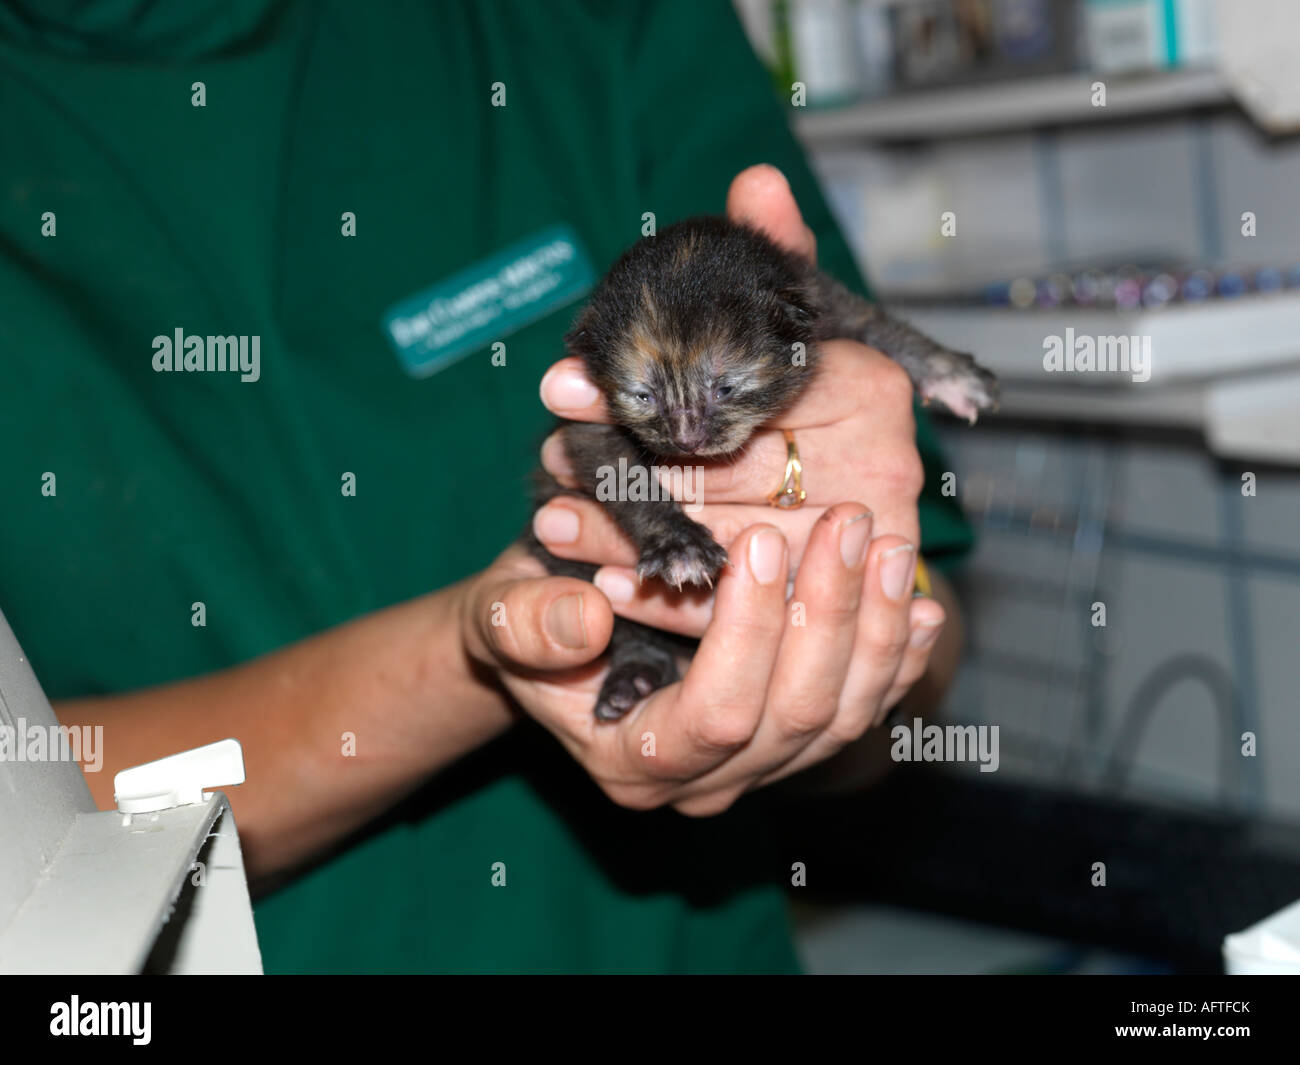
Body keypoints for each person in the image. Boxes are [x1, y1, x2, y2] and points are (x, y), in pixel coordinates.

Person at [0, 0, 972, 972]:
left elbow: (924, 635)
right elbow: (23, 839)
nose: (682, 425)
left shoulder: (597, 30)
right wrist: (485, 647)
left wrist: (857, 628)